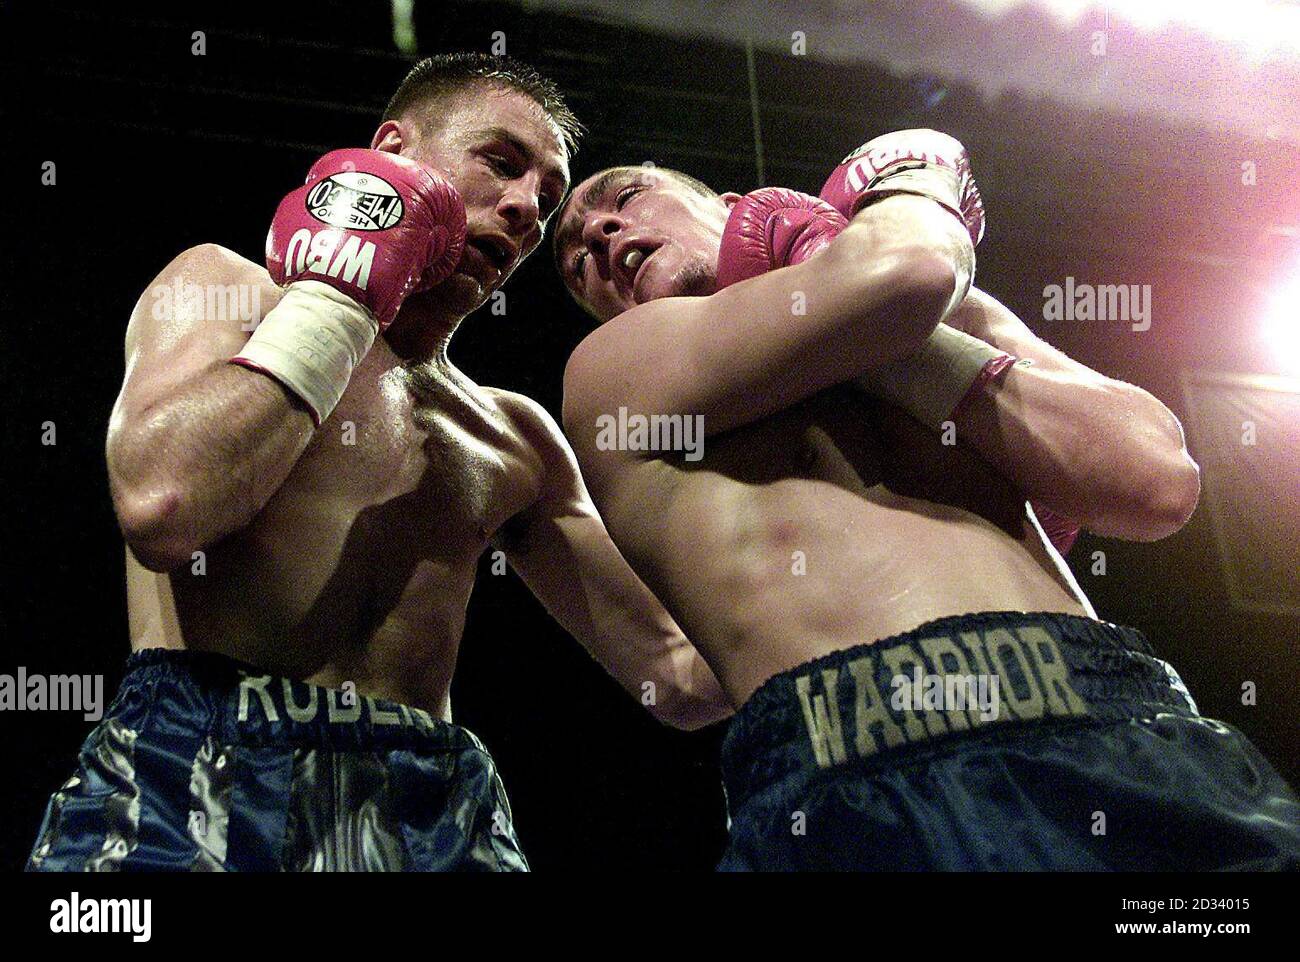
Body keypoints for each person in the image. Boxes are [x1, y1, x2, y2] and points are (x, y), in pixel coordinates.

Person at [27, 52, 728, 873]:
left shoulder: (513, 437)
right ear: (393, 149)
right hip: (196, 761)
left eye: (540, 203)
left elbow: (679, 673)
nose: (523, 210)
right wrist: (340, 300)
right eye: (500, 165)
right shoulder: (227, 292)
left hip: (426, 807)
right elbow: (164, 505)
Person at [552, 129, 1300, 869]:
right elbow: (905, 270)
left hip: (1120, 718)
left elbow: (1157, 480)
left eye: (625, 197)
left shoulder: (947, 307)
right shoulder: (617, 371)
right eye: (577, 258)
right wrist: (916, 177)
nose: (602, 233)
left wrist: (905, 337)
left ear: (732, 206)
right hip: (858, 763)